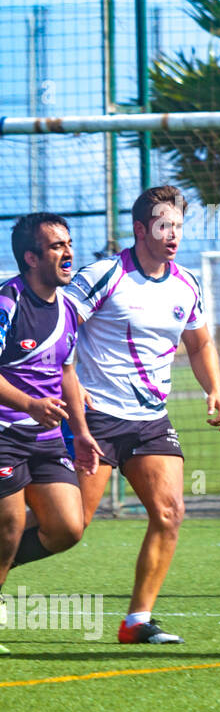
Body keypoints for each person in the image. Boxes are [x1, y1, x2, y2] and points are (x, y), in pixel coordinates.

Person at [67, 185, 220, 644]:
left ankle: (137, 621)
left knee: (170, 512)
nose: (173, 234)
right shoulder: (103, 275)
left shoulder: (187, 283)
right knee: (69, 526)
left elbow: (199, 344)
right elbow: (58, 332)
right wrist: (73, 392)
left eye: (178, 226)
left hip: (150, 420)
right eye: (163, 226)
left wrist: (215, 390)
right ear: (141, 229)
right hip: (95, 417)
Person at [0, 214, 103, 654]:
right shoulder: (8, 303)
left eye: (69, 243)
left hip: (45, 439)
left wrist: (79, 432)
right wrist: (30, 405)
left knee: (67, 527)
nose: (68, 253)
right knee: (10, 525)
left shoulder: (67, 308)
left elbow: (66, 372)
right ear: (31, 257)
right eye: (57, 246)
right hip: (5, 432)